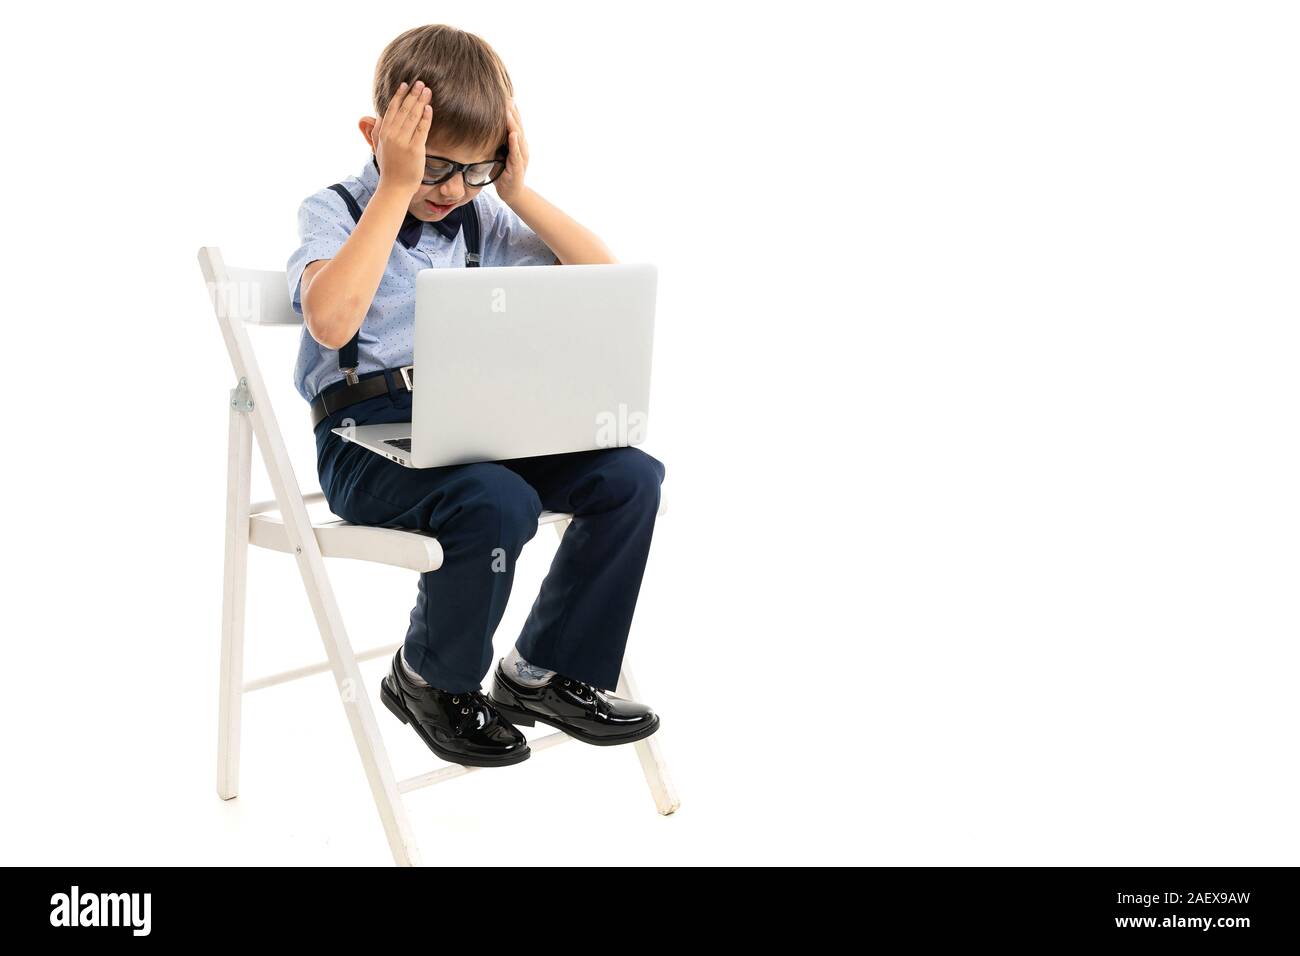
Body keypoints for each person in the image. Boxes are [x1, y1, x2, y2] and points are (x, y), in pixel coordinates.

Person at [286, 24, 665, 768]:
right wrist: (396, 189)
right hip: (368, 440)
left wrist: (516, 191)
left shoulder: (481, 218)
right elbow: (332, 319)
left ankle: (541, 671)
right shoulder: (332, 210)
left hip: (478, 431)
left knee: (630, 478)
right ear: (379, 136)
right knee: (498, 501)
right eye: (433, 167)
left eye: (475, 170)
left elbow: (601, 279)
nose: (453, 189)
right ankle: (428, 676)